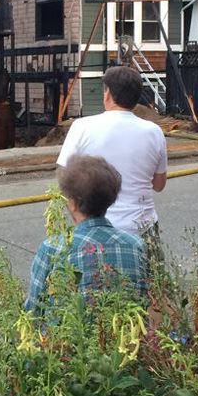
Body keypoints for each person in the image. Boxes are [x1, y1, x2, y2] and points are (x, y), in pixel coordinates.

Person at [56, 66, 167, 243]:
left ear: (107, 94)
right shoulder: (155, 132)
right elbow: (159, 185)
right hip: (143, 227)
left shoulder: (82, 127)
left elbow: (64, 179)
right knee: (147, 271)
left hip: (95, 228)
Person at [25, 155, 147, 310]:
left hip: (67, 333)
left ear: (74, 203)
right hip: (126, 332)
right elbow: (147, 301)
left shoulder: (52, 248)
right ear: (111, 199)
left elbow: (34, 310)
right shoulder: (136, 245)